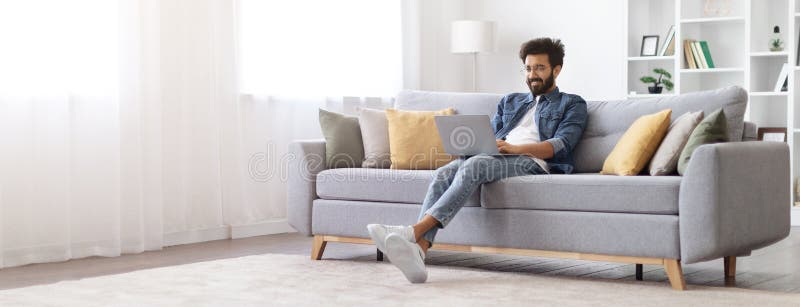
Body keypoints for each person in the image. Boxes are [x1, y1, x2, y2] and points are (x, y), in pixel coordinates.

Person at [367, 37, 588, 283]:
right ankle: (419, 251)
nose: (532, 74)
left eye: (540, 68)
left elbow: (561, 145)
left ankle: (412, 231)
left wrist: (515, 149)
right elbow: (490, 136)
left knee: (476, 165)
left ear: (556, 70)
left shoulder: (572, 103)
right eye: (528, 68)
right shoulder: (510, 101)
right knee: (445, 172)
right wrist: (475, 145)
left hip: (535, 162)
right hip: (497, 156)